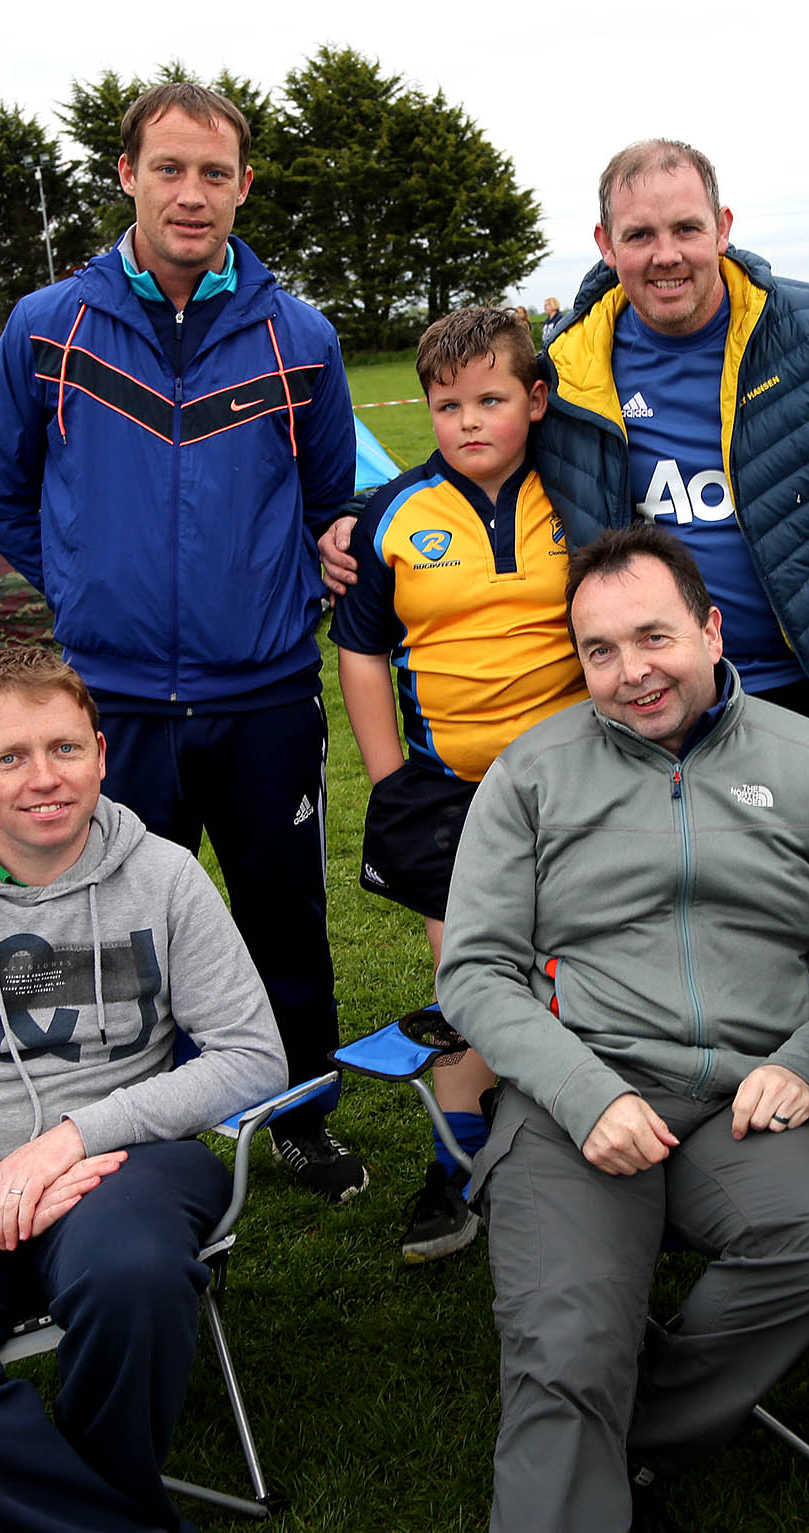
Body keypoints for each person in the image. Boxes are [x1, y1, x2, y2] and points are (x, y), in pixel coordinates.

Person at [437, 524, 809, 1532]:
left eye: (653, 638)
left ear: (711, 629)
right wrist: (585, 1092)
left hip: (750, 1104)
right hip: (576, 1100)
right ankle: (582, 1409)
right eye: (599, 651)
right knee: (566, 1343)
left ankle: (621, 1421)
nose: (630, 672)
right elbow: (474, 968)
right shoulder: (531, 773)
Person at [0, 82, 367, 1201]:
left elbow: (329, 502)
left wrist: (304, 567)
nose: (191, 194)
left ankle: (298, 1115)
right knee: (106, 925)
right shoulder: (48, 326)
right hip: (113, 702)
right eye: (169, 169)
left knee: (279, 917)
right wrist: (90, 587)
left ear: (244, 186)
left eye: (214, 173)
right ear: (126, 176)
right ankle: (121, 1126)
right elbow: (5, 499)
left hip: (264, 698)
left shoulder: (301, 337)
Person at [0, 647, 288, 1532]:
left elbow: (252, 1055)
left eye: (65, 749)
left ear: (103, 753)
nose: (44, 779)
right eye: (9, 757)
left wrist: (73, 1136)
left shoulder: (166, 878)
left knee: (135, 1274)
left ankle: (63, 1495)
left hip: (120, 1165)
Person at [320, 140, 809, 754]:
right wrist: (360, 517)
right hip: (654, 705)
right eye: (639, 236)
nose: (666, 255)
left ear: (722, 227)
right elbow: (483, 456)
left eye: (686, 228)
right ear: (605, 243)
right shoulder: (568, 367)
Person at [331, 307, 586, 1262]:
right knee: (470, 982)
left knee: (573, 966)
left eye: (490, 399)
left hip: (573, 788)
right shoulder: (392, 514)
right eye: (447, 405)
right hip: (445, 793)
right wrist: (394, 779)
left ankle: (570, 1141)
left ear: (536, 399)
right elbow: (360, 652)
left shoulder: (576, 498)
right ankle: (457, 1163)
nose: (469, 420)